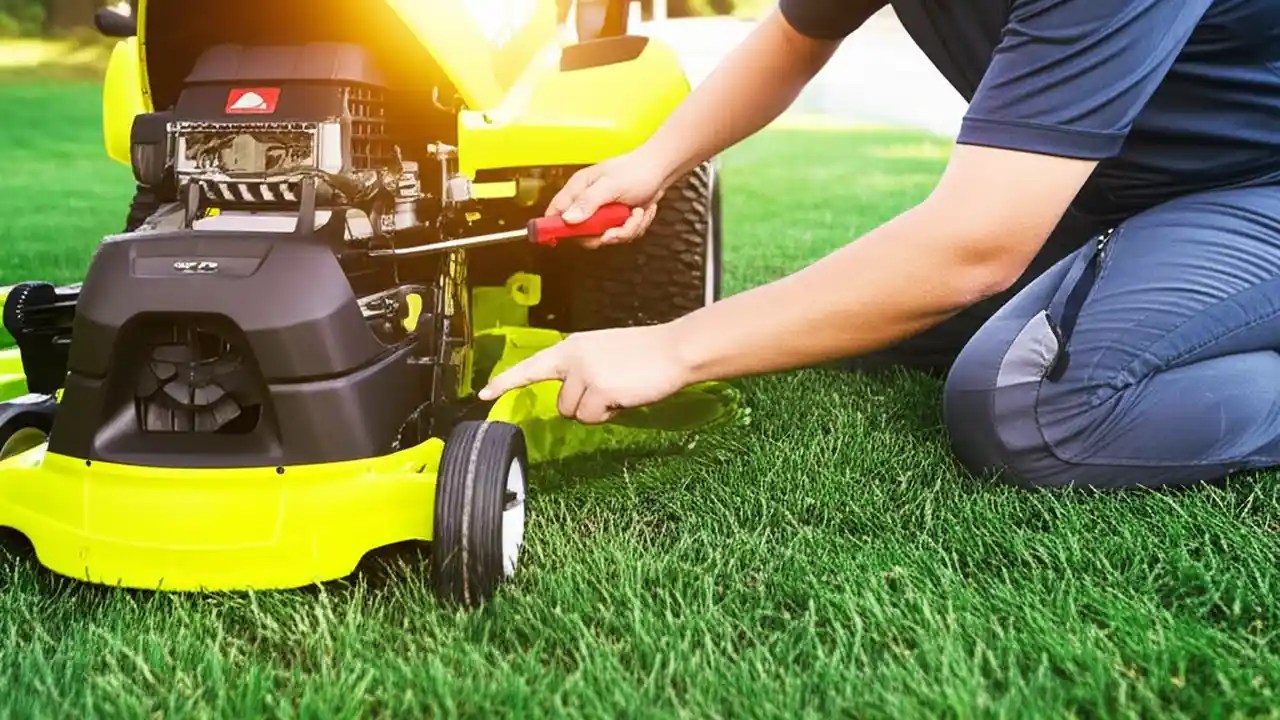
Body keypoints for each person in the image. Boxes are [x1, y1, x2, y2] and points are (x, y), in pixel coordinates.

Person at [479, 0, 1280, 491]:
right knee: (867, 325)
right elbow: (795, 37)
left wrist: (672, 348)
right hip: (1123, 192)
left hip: (1256, 193)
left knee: (1022, 405)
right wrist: (653, 164)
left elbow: (975, 247)